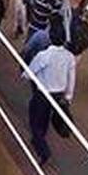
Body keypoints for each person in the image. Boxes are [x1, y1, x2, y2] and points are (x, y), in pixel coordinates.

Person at [26, 25, 75, 165]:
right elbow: (71, 79)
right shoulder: (69, 57)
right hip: (58, 95)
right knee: (46, 118)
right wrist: (68, 97)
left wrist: (26, 74)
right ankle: (39, 138)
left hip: (42, 94)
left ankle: (43, 150)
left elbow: (30, 72)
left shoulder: (44, 55)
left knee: (34, 119)